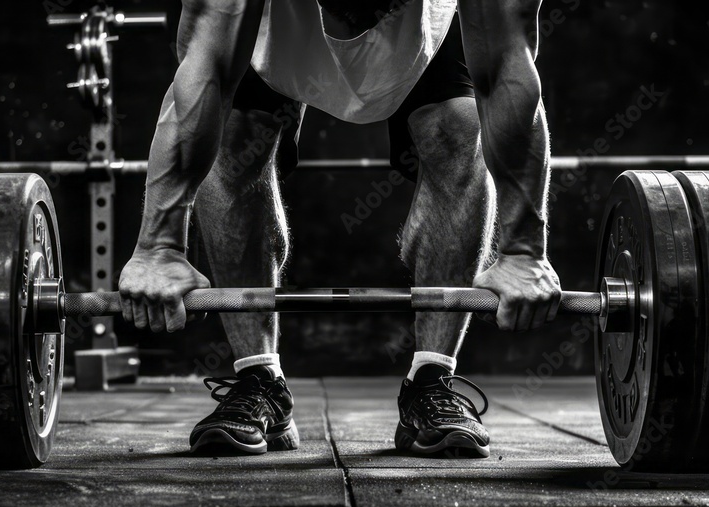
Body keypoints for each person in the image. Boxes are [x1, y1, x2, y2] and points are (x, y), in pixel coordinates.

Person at [118, 0, 561, 458]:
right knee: (231, 133)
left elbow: (508, 70)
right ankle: (259, 378)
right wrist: (158, 247)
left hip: (429, 22)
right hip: (273, 22)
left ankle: (432, 380)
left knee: (459, 128)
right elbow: (201, 77)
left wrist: (524, 253)